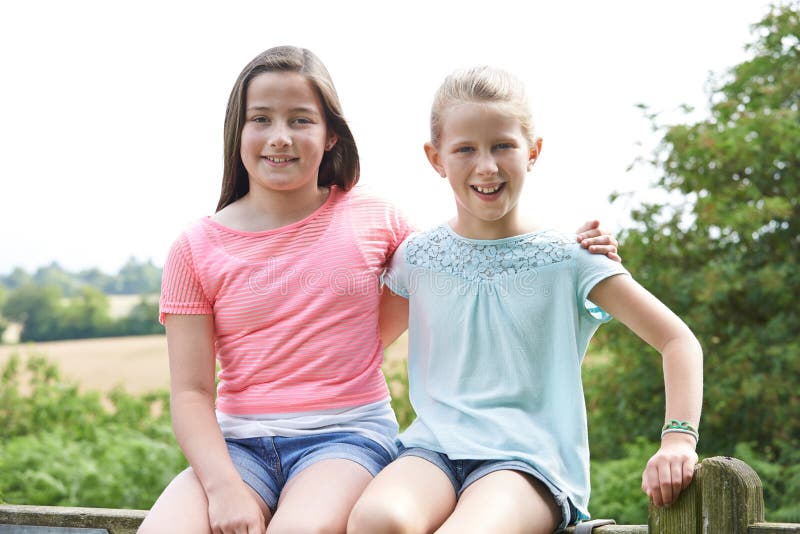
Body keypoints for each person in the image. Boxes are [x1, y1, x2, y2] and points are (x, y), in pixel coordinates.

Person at [137, 47, 619, 534]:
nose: (280, 137)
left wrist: (574, 251)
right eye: (261, 118)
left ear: (330, 136)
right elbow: (192, 393)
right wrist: (223, 490)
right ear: (237, 131)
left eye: (301, 120)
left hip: (346, 439)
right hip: (236, 450)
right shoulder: (194, 248)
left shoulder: (377, 220)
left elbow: (465, 255)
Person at [347, 66, 703, 534]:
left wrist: (678, 438)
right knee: (377, 520)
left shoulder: (572, 258)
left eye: (503, 145)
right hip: (431, 452)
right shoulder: (416, 258)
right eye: (465, 149)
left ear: (533, 151)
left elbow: (678, 341)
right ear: (436, 158)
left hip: (528, 466)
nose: (487, 166)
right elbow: (355, 353)